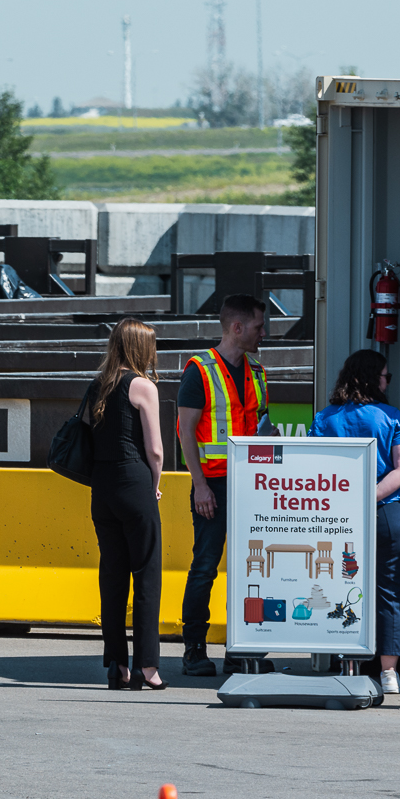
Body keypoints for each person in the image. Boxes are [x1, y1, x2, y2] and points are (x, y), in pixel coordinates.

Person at [176, 293, 272, 677]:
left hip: (251, 487)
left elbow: (262, 427)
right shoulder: (200, 370)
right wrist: (199, 486)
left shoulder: (259, 373)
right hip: (213, 486)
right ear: (237, 327)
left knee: (252, 571)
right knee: (205, 567)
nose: (263, 333)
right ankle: (194, 651)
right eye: (259, 326)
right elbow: (185, 433)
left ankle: (242, 651)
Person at [310, 350, 400, 694]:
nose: (388, 382)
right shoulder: (391, 416)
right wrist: (371, 496)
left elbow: (311, 469)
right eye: (386, 376)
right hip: (389, 514)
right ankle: (388, 673)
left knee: (341, 585)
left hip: (337, 516)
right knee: (390, 591)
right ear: (373, 378)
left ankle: (348, 662)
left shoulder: (325, 419)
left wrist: (351, 499)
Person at [86, 318, 167, 690]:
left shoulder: (97, 385)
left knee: (112, 577)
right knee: (146, 575)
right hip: (133, 481)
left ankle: (116, 665)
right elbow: (154, 449)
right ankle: (147, 668)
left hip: (101, 489)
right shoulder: (142, 386)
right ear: (141, 348)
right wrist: (155, 484)